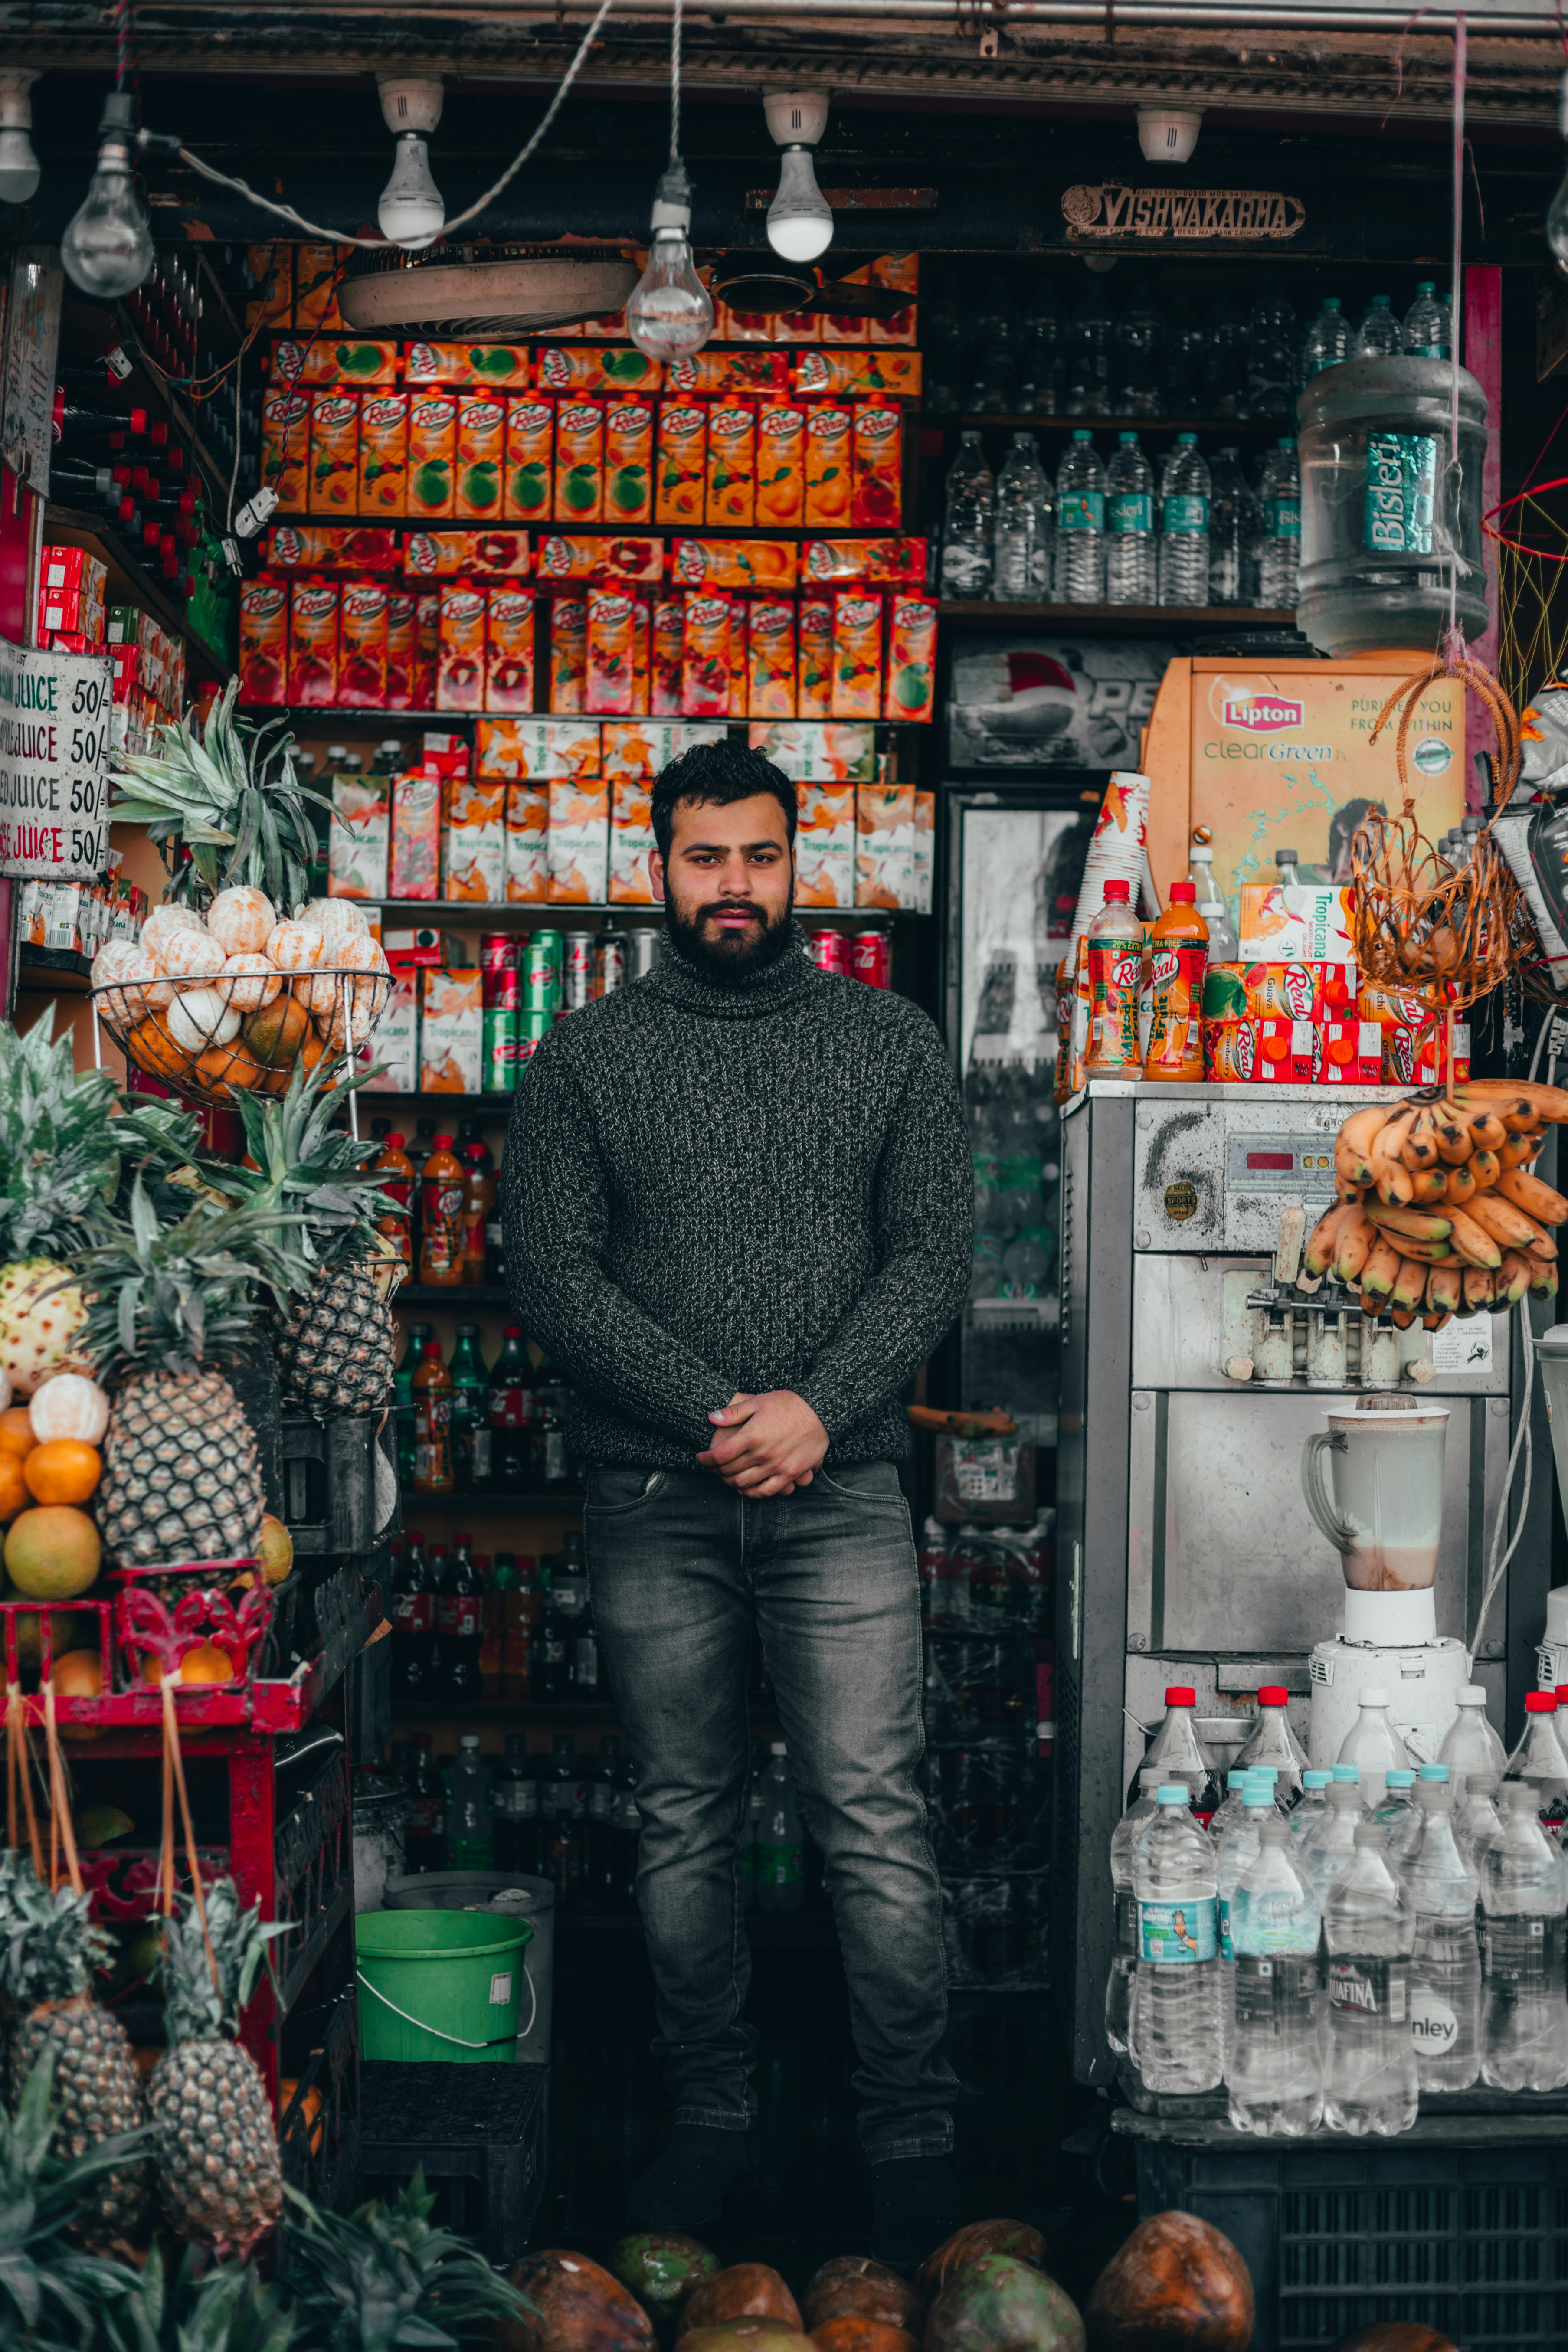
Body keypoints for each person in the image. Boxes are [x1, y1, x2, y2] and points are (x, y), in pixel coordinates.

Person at [501, 741, 973, 2263]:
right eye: (704, 860)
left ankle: (913, 2132)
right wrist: (725, 1420)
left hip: (840, 1497)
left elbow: (933, 1260)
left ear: (798, 862)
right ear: (659, 868)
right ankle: (707, 2115)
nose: (732, 888)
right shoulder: (586, 1055)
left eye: (758, 858)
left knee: (873, 1819)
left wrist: (817, 1414)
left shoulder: (891, 1044)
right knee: (684, 1821)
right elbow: (552, 1272)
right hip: (658, 1489)